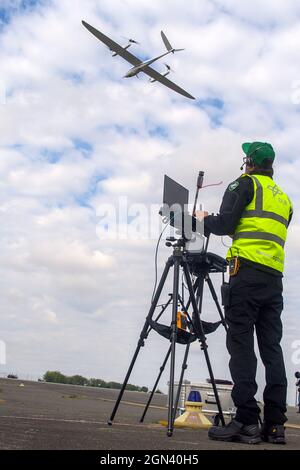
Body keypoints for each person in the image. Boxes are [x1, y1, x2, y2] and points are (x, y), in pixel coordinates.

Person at [197, 142, 293, 444]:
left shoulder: (245, 183)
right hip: (273, 279)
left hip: (246, 275)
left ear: (249, 162)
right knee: (272, 350)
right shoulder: (284, 199)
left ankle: (247, 420)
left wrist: (202, 219)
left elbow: (226, 224)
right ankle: (275, 426)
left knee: (241, 346)